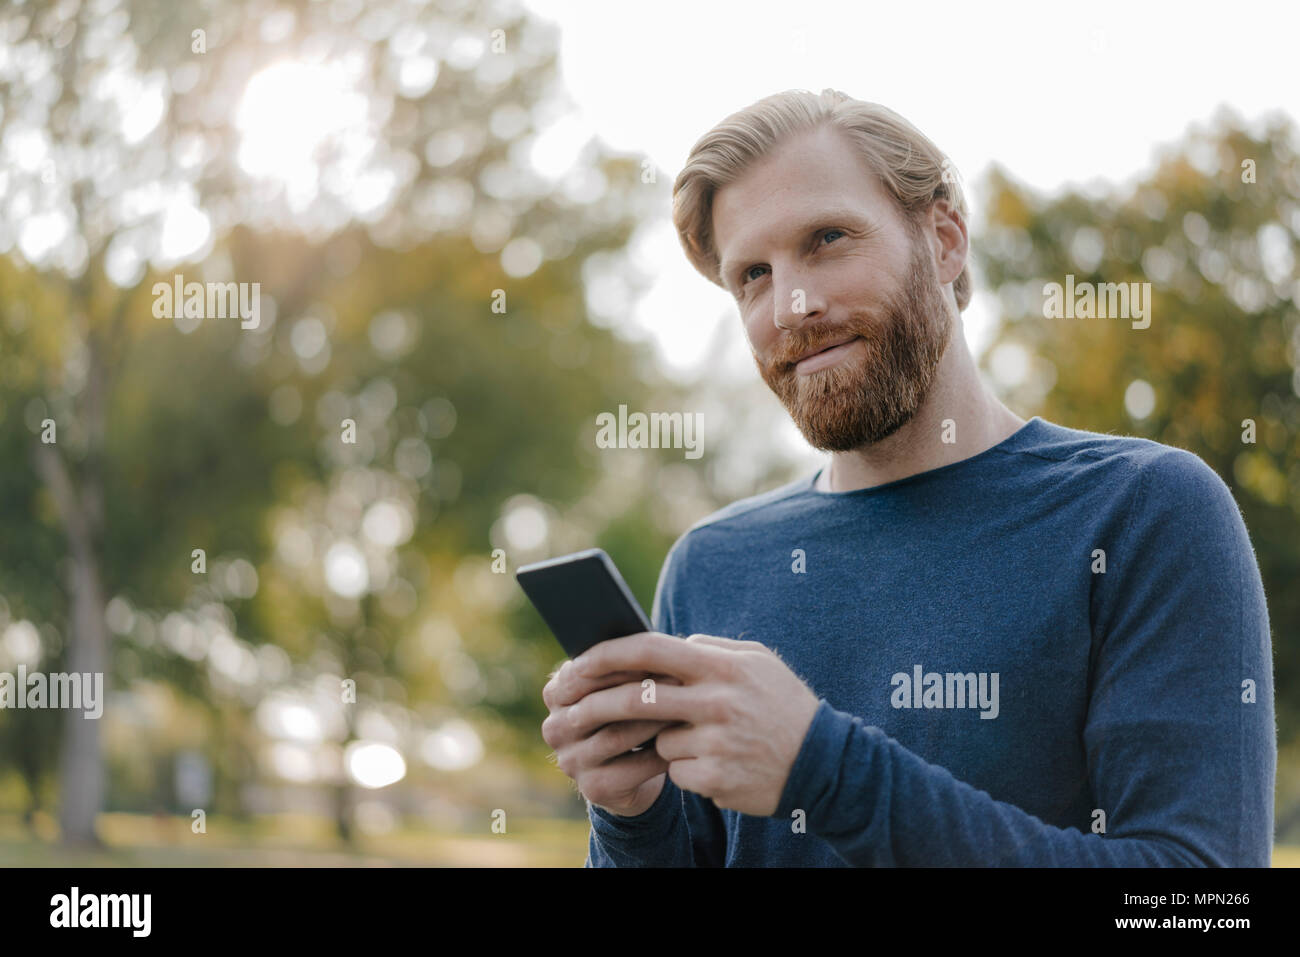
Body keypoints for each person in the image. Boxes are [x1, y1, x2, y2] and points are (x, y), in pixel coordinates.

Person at [541, 89, 1276, 866]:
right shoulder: (710, 565)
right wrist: (629, 816)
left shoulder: (1144, 511)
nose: (792, 304)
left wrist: (825, 770)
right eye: (752, 273)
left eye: (827, 238)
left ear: (946, 238)